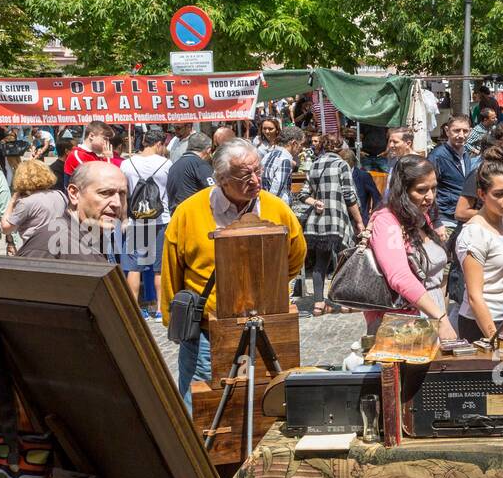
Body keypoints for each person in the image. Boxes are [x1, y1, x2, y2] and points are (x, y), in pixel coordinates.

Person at [161, 140, 306, 411]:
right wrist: (174, 320)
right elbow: (172, 270)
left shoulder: (277, 209)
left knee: (266, 396)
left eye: (258, 171)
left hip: (266, 325)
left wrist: (271, 287)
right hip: (207, 331)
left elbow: (296, 254)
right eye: (244, 175)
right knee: (201, 402)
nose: (255, 180)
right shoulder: (189, 213)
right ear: (221, 179)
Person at [365, 155, 456, 339]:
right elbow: (399, 277)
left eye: (434, 188)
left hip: (431, 312)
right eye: (421, 190)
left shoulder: (421, 217)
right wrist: (440, 317)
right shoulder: (387, 222)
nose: (430, 197)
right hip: (404, 323)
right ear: (403, 190)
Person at [454, 148, 503, 342]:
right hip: (482, 327)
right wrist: (494, 339)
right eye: (499, 194)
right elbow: (474, 297)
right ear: (481, 194)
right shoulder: (474, 234)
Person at [5, 161, 126, 263]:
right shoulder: (47, 246)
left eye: (122, 194)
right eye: (105, 193)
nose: (117, 203)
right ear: (74, 194)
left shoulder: (98, 237)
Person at [298, 137, 364, 316]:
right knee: (345, 263)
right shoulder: (342, 165)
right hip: (338, 220)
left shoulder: (314, 165)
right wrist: (359, 222)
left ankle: (318, 305)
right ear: (340, 148)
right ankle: (345, 303)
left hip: (318, 222)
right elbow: (349, 195)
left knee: (320, 263)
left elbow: (303, 195)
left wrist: (316, 202)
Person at [121, 128, 173, 317]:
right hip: (161, 218)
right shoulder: (166, 163)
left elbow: (124, 192)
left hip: (137, 219)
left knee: (135, 267)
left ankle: (133, 309)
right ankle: (160, 309)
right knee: (159, 267)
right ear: (159, 144)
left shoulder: (127, 164)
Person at [428, 114, 473, 231]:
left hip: (461, 218)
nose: (461, 135)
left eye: (465, 131)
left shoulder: (466, 155)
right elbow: (429, 188)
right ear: (447, 131)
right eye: (456, 131)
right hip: (445, 219)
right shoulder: (437, 156)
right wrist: (435, 221)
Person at [165, 132, 215, 210]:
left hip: (176, 215)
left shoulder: (174, 166)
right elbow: (214, 191)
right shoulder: (200, 165)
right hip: (194, 215)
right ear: (208, 150)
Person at [338, 146, 382, 222]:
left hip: (360, 219)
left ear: (348, 162)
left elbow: (377, 197)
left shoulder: (363, 176)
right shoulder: (337, 175)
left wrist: (373, 217)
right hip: (342, 219)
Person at [261, 125, 302, 205]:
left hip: (264, 201)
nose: (300, 148)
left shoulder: (268, 155)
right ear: (294, 143)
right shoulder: (285, 160)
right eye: (300, 145)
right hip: (277, 207)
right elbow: (276, 190)